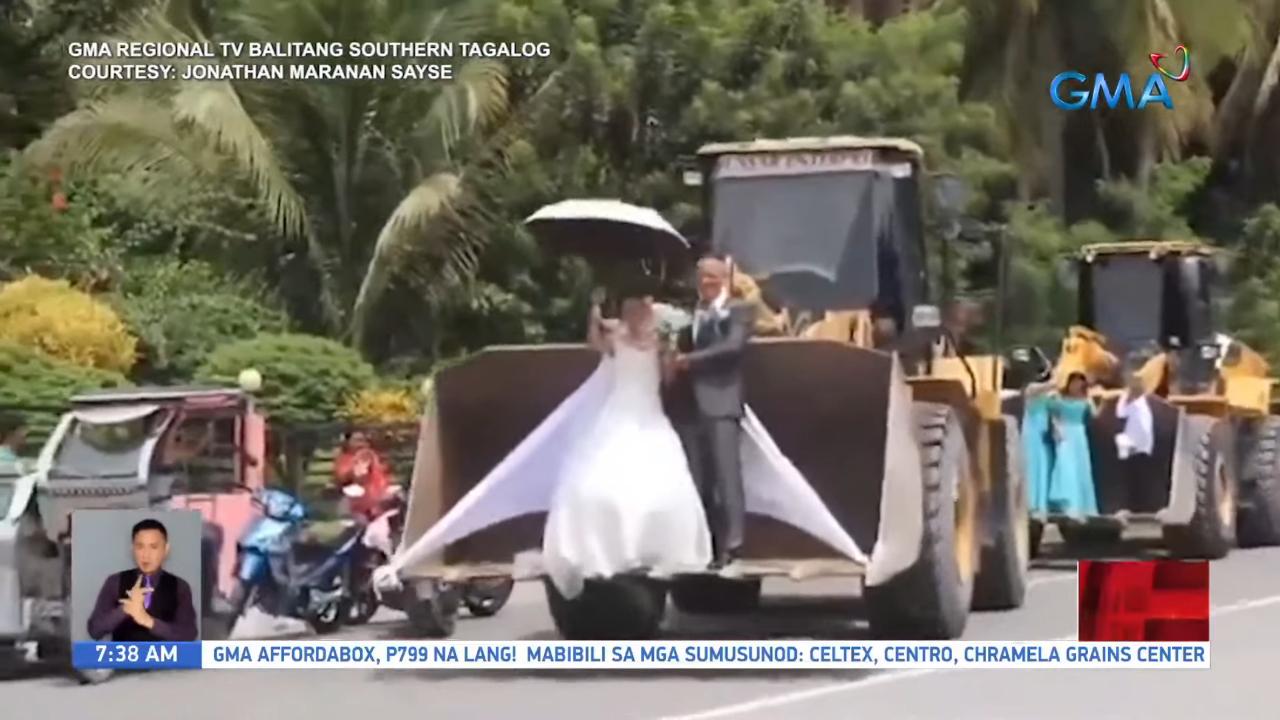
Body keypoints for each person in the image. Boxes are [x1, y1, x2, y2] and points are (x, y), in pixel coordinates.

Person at [371, 270, 865, 602]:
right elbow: (608, 348)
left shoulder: (711, 320)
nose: (641, 315)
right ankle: (647, 553)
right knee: (630, 479)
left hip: (681, 407)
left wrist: (680, 363)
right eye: (636, 309)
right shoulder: (648, 332)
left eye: (644, 309)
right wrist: (596, 314)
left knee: (695, 480)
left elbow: (713, 355)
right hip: (642, 410)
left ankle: (720, 547)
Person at [668, 255, 755, 568]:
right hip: (691, 405)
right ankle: (708, 545)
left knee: (726, 475)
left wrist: (691, 360)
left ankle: (734, 544)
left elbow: (733, 347)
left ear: (724, 279)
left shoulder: (739, 309)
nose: (705, 283)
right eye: (702, 277)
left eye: (712, 277)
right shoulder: (696, 313)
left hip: (721, 401)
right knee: (699, 477)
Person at [87, 518, 198, 641]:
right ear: (133, 549)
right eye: (140, 547)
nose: (145, 555)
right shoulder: (114, 581)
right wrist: (124, 609)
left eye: (153, 547)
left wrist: (148, 621)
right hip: (123, 658)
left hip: (164, 659)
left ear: (166, 550)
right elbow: (94, 630)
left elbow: (188, 635)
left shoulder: (180, 586)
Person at [1047, 372, 1100, 518]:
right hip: (1065, 433)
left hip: (1078, 433)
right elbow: (1053, 415)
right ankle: (1067, 501)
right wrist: (1056, 428)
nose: (1076, 386)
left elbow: (1095, 415)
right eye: (1074, 382)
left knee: (1080, 468)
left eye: (1079, 383)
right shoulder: (1058, 398)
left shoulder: (1085, 399)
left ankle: (1083, 506)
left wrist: (1091, 401)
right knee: (1065, 466)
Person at [333, 430, 390, 520]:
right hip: (354, 501)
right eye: (357, 440)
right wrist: (354, 472)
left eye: (362, 440)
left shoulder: (371, 456)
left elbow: (380, 475)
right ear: (348, 442)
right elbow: (343, 478)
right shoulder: (344, 459)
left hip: (374, 497)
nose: (360, 444)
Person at [1022, 379, 1057, 517]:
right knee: (1032, 466)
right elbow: (1032, 390)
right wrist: (1055, 382)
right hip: (1032, 434)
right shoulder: (1032, 389)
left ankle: (1040, 504)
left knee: (1042, 466)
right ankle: (1030, 503)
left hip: (1042, 435)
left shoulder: (1047, 396)